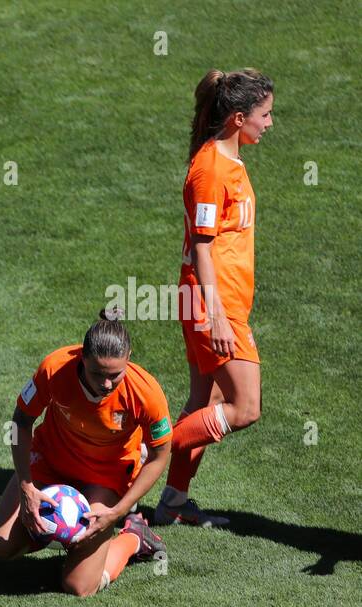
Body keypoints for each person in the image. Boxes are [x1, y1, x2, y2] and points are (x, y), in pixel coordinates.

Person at [156, 69, 274, 527]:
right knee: (244, 407)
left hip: (220, 302)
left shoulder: (228, 158)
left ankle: (172, 502)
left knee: (206, 401)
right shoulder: (210, 171)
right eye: (264, 115)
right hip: (213, 305)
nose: (270, 124)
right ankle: (144, 452)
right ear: (238, 118)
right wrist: (219, 317)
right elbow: (203, 248)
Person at [0, 309, 170, 596]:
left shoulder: (146, 393)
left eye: (115, 375)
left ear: (129, 358)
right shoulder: (54, 368)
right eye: (97, 373)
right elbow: (21, 421)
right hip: (50, 462)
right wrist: (26, 487)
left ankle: (134, 537)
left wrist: (118, 512)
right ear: (81, 357)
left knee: (79, 586)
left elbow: (160, 456)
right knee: (1, 545)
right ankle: (57, 533)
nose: (106, 384)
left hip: (105, 479)